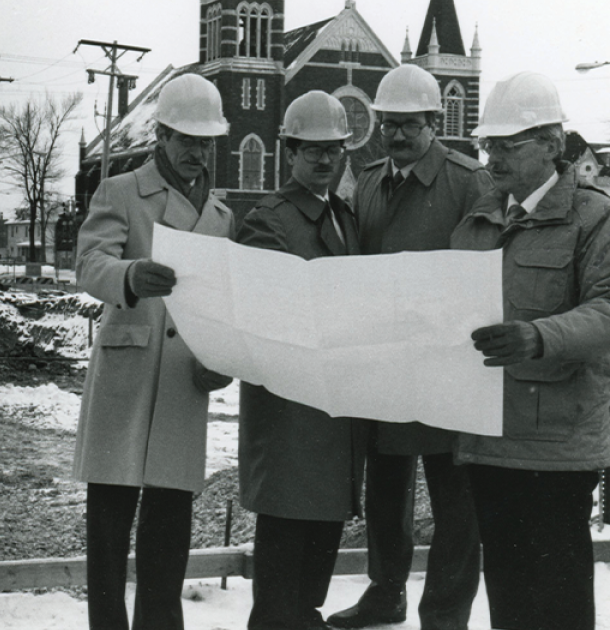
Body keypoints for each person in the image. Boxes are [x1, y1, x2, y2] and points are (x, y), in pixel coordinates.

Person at [328, 64, 489, 630]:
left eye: (408, 126)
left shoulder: (471, 182)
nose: (396, 136)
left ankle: (445, 613)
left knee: (456, 498)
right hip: (385, 365)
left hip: (448, 368)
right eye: (388, 125)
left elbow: (485, 275)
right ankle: (385, 592)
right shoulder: (369, 180)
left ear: (433, 122)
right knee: (387, 489)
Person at [73, 72, 234, 630]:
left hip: (181, 385)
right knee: (110, 536)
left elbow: (220, 304)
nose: (197, 152)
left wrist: (219, 360)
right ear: (162, 135)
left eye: (205, 141)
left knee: (168, 533)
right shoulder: (120, 190)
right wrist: (130, 274)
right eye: (186, 139)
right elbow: (89, 265)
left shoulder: (220, 217)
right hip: (128, 373)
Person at [451, 71, 610, 630]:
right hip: (488, 440)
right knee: (511, 599)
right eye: (488, 145)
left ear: (551, 144)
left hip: (555, 448)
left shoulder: (594, 217)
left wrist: (537, 336)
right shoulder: (479, 219)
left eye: (508, 145)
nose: (492, 158)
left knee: (557, 601)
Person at [234, 91, 366, 630]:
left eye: (333, 150)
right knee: (281, 579)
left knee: (312, 578)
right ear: (289, 151)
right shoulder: (269, 219)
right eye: (312, 150)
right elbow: (267, 314)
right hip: (290, 416)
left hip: (334, 417)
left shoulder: (344, 217)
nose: (324, 160)